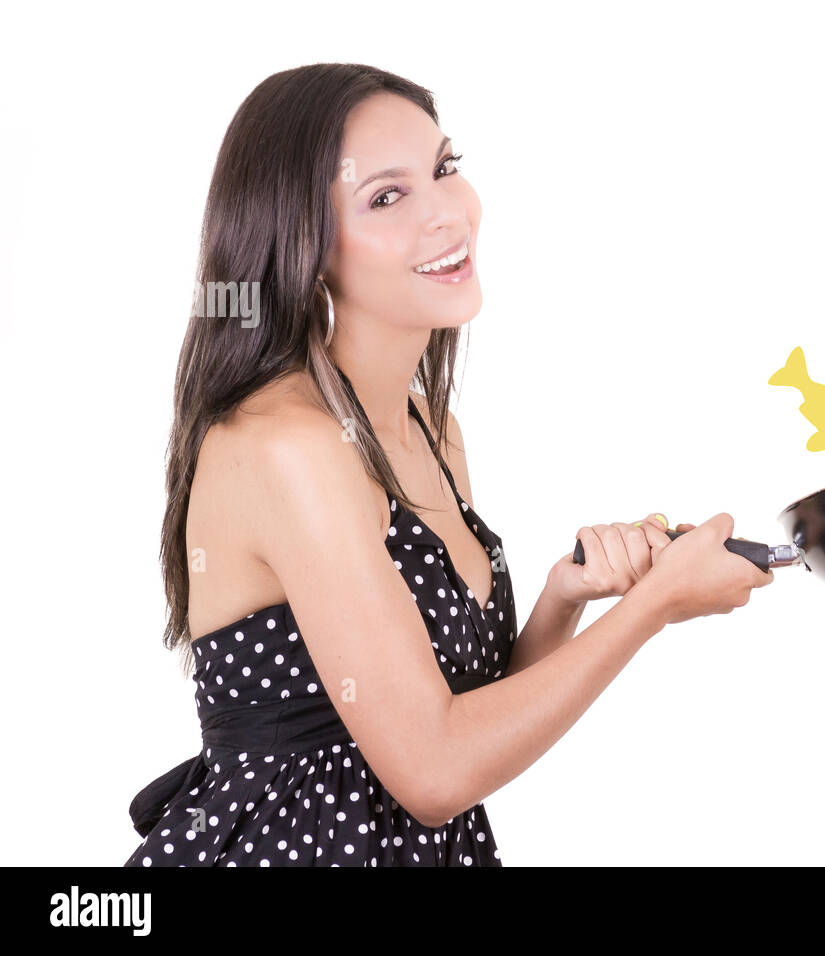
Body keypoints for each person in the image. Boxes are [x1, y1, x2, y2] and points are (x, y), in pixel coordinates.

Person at [123, 63, 774, 867]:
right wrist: (655, 609)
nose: (447, 215)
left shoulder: (432, 428)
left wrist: (564, 598)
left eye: (443, 169)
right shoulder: (287, 447)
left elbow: (459, 720)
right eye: (386, 197)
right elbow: (432, 771)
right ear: (305, 245)